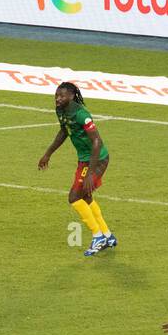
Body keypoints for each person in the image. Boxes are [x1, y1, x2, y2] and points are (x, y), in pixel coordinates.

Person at [38, 82, 116, 258]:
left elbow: (97, 142)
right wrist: (47, 154)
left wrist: (90, 173)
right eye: (56, 95)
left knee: (74, 197)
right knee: (85, 196)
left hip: (97, 159)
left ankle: (98, 237)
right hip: (84, 160)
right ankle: (107, 235)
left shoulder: (82, 114)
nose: (58, 99)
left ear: (72, 96)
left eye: (62, 96)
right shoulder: (61, 110)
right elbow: (64, 132)